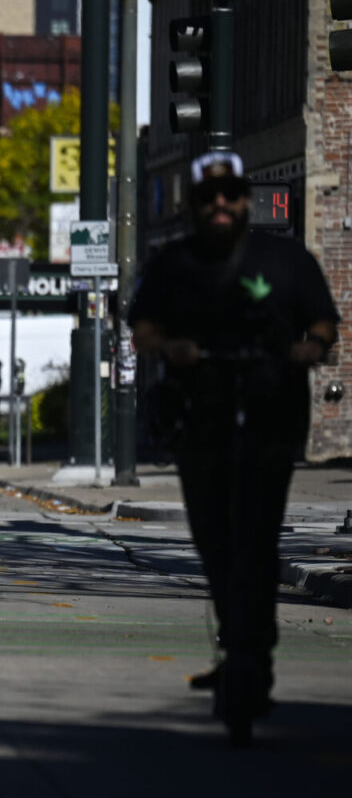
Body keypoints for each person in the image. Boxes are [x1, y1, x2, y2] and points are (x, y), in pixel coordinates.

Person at [130, 150, 338, 729]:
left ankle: (253, 653)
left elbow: (323, 320)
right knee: (217, 541)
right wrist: (170, 347)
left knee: (258, 538)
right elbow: (142, 327)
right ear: (194, 205)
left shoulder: (285, 257)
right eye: (208, 197)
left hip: (272, 414)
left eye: (230, 195)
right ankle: (238, 639)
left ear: (246, 199)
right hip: (202, 418)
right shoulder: (175, 261)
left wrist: (311, 347)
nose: (220, 205)